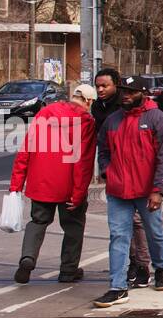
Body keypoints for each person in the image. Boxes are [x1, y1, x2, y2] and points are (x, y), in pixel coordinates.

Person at [93, 75, 163, 308]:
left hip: (146, 190)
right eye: (123, 91)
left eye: (131, 92)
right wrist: (107, 171)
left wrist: (158, 190)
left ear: (143, 93)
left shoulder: (157, 119)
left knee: (154, 233)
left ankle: (160, 268)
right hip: (118, 190)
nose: (126, 95)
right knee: (118, 236)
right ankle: (117, 287)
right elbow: (103, 149)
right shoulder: (113, 120)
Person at [9, 83, 97, 284]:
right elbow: (83, 161)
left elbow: (26, 150)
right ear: (89, 101)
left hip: (40, 182)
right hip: (68, 184)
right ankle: (68, 270)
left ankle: (28, 258)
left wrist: (16, 184)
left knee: (38, 221)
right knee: (73, 226)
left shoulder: (46, 112)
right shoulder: (85, 121)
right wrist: (78, 193)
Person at [93, 68, 153, 288]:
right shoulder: (98, 107)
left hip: (136, 173)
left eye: (105, 86)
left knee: (137, 222)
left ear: (116, 85)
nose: (100, 89)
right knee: (119, 227)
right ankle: (132, 263)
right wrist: (105, 169)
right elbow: (102, 143)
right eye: (97, 86)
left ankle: (142, 265)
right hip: (116, 174)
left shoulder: (126, 105)